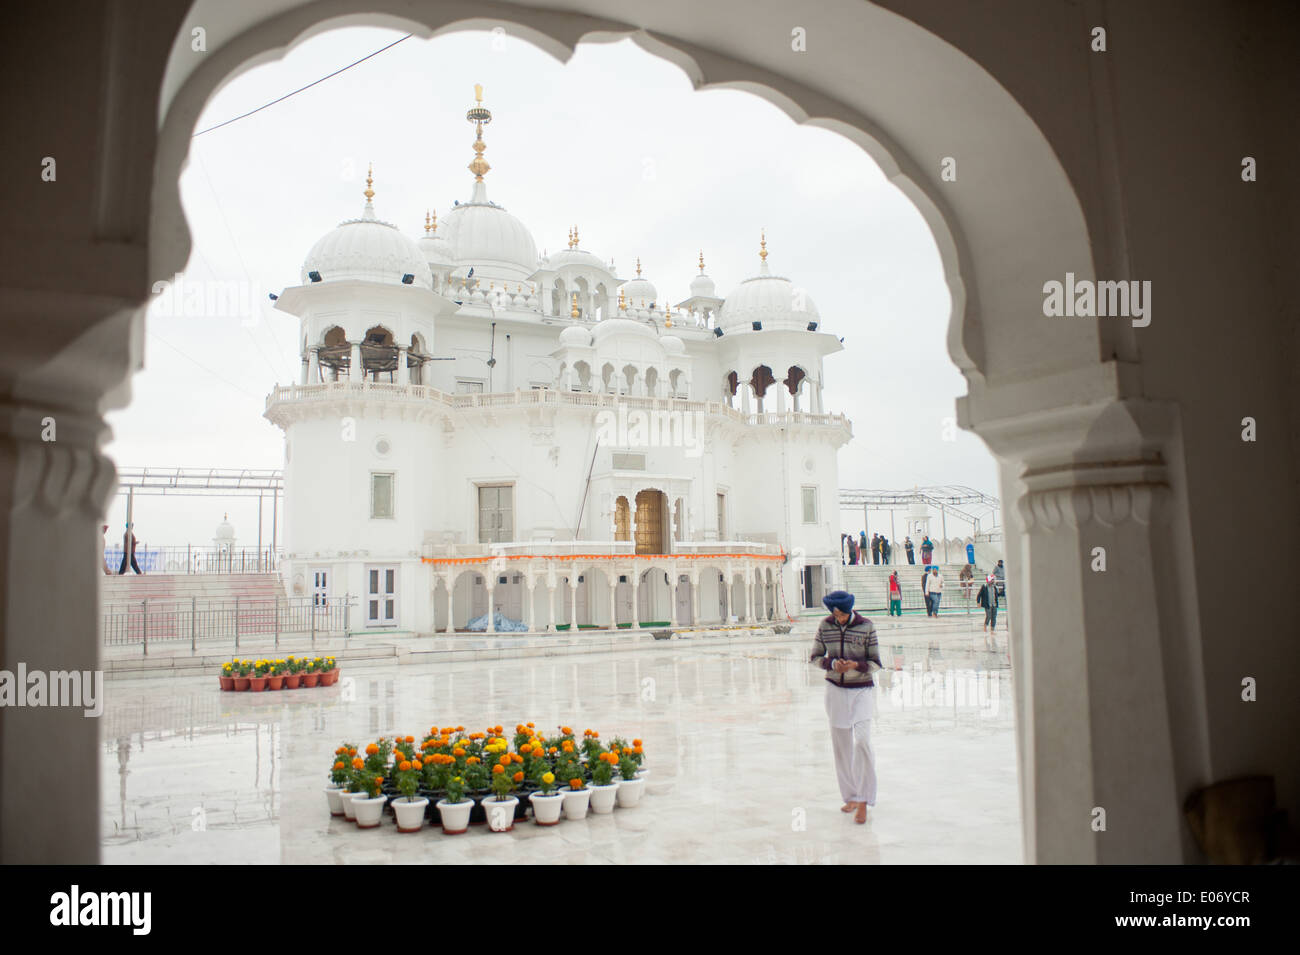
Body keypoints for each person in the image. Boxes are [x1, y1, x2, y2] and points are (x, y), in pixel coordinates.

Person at [809, 590, 881, 825]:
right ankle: (850, 796)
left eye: (842, 614)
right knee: (841, 746)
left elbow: (875, 663)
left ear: (849, 611)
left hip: (861, 690)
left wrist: (855, 665)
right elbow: (815, 657)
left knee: (862, 742)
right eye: (835, 614)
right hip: (835, 691)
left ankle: (864, 800)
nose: (838, 618)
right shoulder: (825, 626)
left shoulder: (866, 627)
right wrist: (831, 663)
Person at [977, 574, 998, 647]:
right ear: (989, 580)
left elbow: (996, 595)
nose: (993, 581)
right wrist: (978, 602)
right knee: (988, 616)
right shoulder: (984, 587)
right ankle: (985, 625)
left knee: (994, 617)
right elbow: (979, 595)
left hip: (994, 604)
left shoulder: (995, 587)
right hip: (987, 604)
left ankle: (992, 629)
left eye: (993, 579)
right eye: (992, 579)